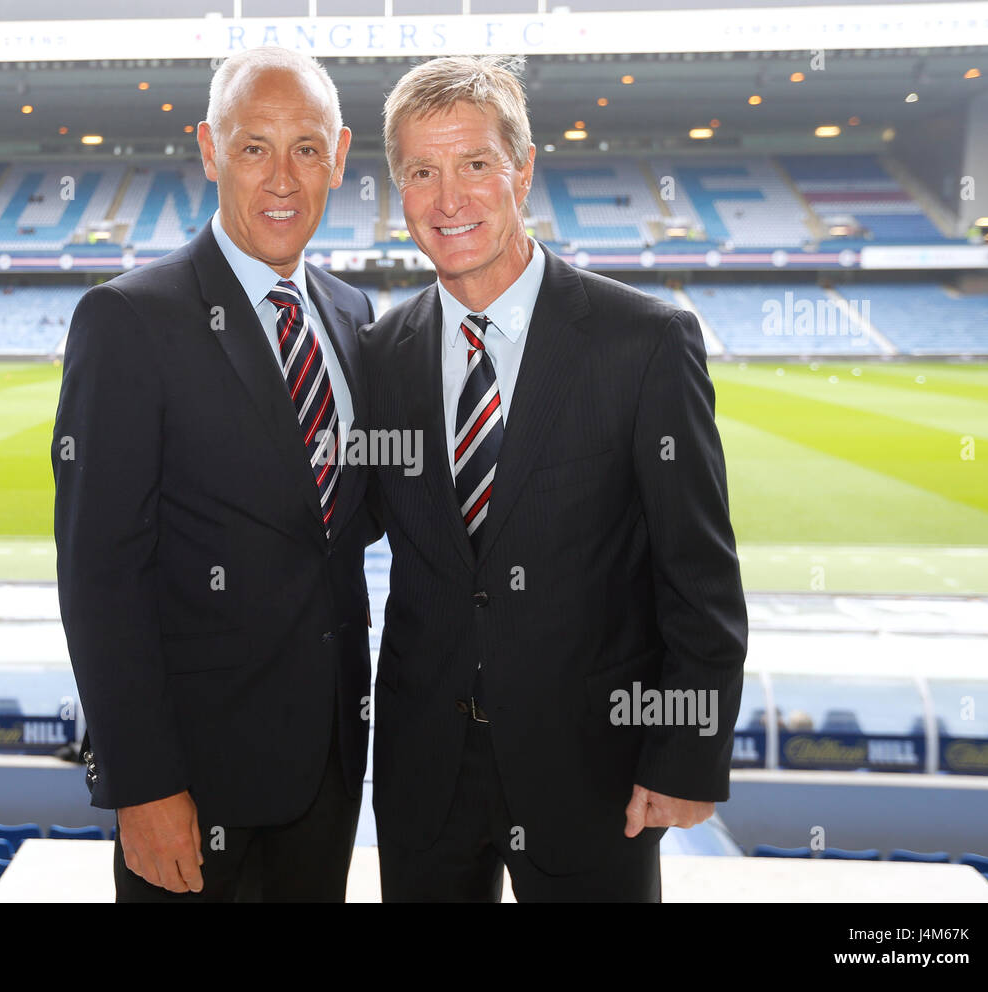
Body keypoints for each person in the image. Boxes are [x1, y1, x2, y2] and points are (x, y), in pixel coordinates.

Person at [359, 55, 747, 902]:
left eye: (474, 165)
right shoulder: (379, 356)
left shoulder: (644, 342)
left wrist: (684, 752)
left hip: (594, 771)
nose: (448, 198)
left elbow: (700, 576)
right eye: (422, 172)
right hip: (425, 773)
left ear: (523, 171)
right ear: (398, 191)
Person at [52, 46, 378, 902]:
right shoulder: (128, 320)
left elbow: (337, 526)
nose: (281, 177)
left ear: (340, 157)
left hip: (331, 774)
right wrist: (142, 785)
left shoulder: (351, 314)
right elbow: (98, 575)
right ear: (207, 150)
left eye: (306, 148)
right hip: (193, 789)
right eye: (253, 146)